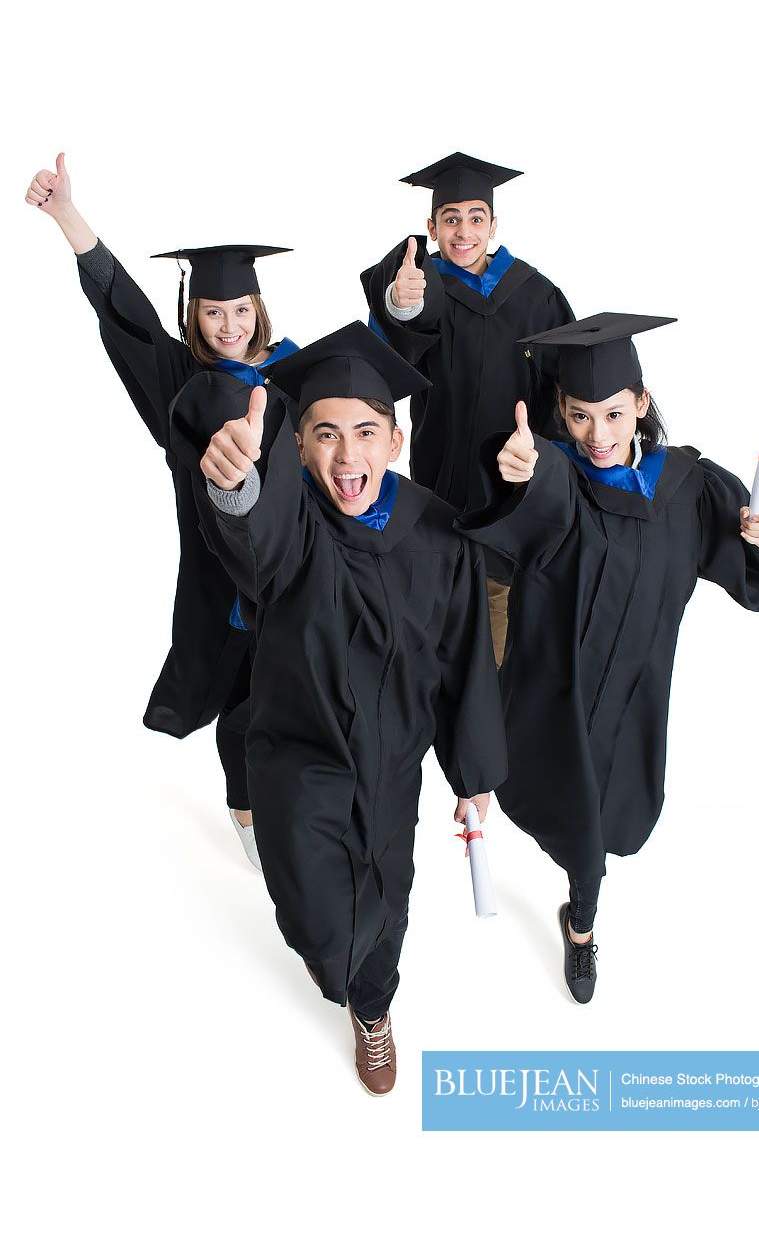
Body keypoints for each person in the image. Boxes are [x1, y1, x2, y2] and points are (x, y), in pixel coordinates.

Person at [170, 322, 507, 1094]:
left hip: (393, 764)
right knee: (318, 919)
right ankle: (341, 970)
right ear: (296, 445)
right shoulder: (294, 521)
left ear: (396, 439)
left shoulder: (442, 533)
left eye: (364, 432)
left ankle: (375, 1011)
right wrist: (234, 484)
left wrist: (472, 769)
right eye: (323, 433)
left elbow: (463, 658)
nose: (345, 456)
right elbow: (254, 544)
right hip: (299, 754)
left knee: (389, 901)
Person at [457, 312, 759, 1003]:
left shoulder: (686, 484)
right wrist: (514, 470)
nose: (595, 435)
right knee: (579, 824)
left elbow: (747, 564)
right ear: (559, 414)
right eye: (577, 417)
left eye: (611, 414)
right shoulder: (559, 477)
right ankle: (582, 926)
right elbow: (523, 501)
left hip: (636, 691)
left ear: (640, 402)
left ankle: (580, 906)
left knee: (608, 814)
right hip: (553, 688)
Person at [25, 153, 298, 869]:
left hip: (299, 571)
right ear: (195, 314)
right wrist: (68, 219)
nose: (230, 324)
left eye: (241, 309)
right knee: (241, 707)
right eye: (214, 310)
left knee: (300, 696)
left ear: (258, 307)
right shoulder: (182, 382)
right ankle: (245, 808)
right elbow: (128, 316)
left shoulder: (296, 369)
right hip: (227, 581)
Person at [361, 152, 575, 666]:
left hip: (512, 488)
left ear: (493, 224)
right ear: (431, 227)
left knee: (498, 610)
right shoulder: (419, 290)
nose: (464, 231)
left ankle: (489, 721)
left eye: (476, 218)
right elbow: (379, 368)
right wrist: (398, 306)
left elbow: (570, 392)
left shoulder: (535, 295)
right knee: (432, 599)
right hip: (436, 478)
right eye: (451, 219)